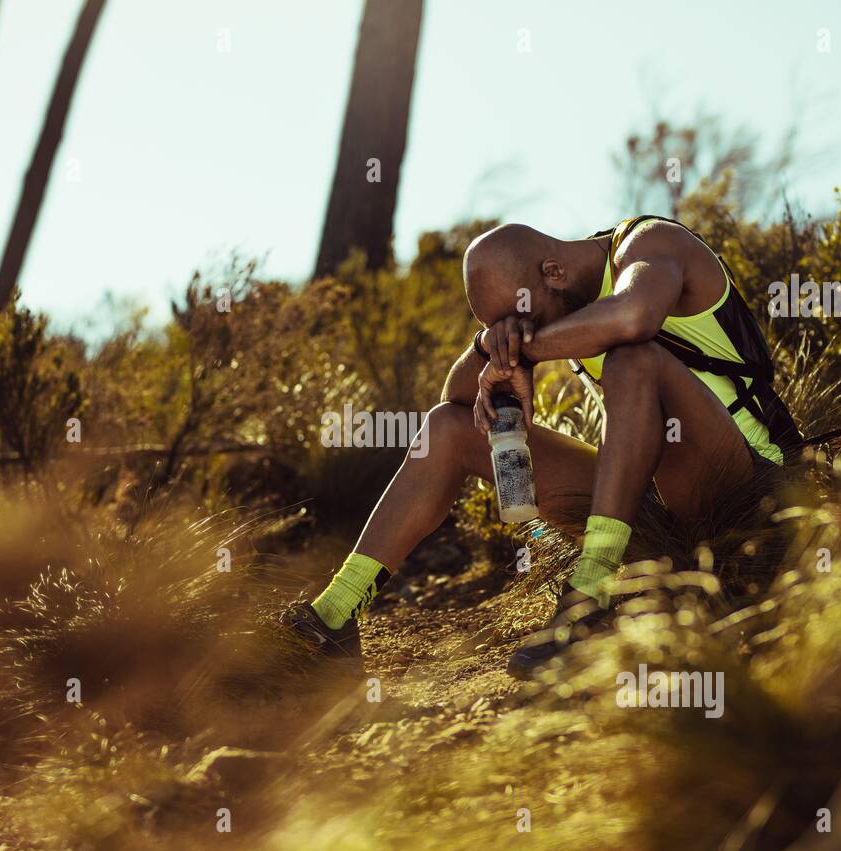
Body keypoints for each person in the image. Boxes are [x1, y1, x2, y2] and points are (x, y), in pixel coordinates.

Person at [283, 215, 802, 678]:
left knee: (632, 359)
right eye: (511, 326)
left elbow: (632, 319)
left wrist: (527, 346)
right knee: (447, 427)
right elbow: (457, 401)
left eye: (526, 317)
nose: (529, 334)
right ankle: (335, 615)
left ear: (553, 273)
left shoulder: (651, 244)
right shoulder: (543, 306)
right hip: (647, 514)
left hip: (747, 489)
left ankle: (590, 596)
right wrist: (491, 346)